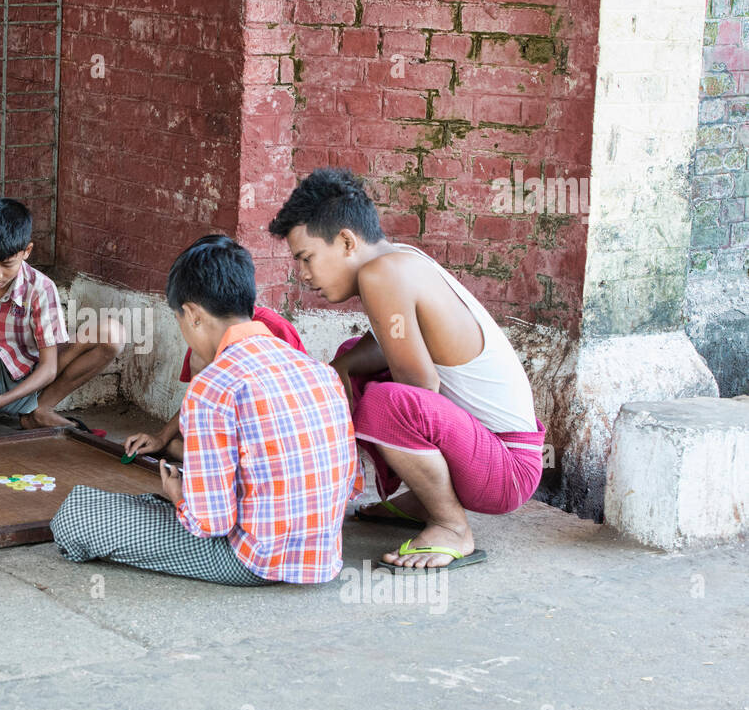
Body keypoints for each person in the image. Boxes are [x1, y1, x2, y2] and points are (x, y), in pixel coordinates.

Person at [268, 168, 545, 571]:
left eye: (306, 258)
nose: (305, 274)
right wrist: (339, 371)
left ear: (346, 240)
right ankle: (422, 495)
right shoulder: (397, 259)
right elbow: (376, 350)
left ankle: (451, 526)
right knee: (353, 362)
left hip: (506, 469)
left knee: (385, 403)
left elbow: (420, 388)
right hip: (492, 454)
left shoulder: (382, 274)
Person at [50, 235, 361, 585]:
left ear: (194, 315)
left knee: (75, 516)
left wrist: (179, 496)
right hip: (322, 554)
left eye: (179, 321)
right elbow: (352, 484)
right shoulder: (319, 371)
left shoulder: (213, 385)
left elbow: (210, 523)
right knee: (105, 500)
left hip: (252, 561)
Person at [0, 197, 124, 439]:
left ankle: (38, 411)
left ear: (26, 251)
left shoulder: (41, 288)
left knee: (111, 334)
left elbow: (49, 368)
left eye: (7, 264)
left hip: (33, 378)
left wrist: (1, 401)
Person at [123, 238, 309, 461]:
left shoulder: (276, 329)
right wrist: (162, 438)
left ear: (192, 314)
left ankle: (189, 450)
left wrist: (178, 488)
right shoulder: (326, 375)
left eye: (177, 318)